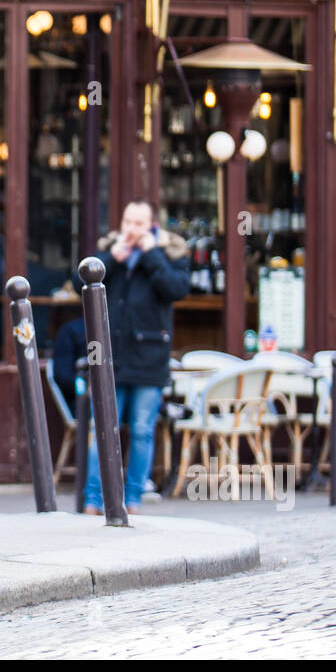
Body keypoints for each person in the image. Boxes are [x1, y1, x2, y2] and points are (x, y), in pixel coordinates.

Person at [82, 199, 190, 515]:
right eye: (128, 222)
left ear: (152, 226)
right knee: (102, 428)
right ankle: (94, 499)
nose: (131, 230)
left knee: (142, 430)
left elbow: (176, 289)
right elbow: (81, 287)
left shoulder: (170, 253)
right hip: (110, 357)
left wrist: (151, 255)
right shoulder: (108, 252)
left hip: (149, 357)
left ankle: (132, 499)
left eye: (139, 224)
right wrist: (111, 261)